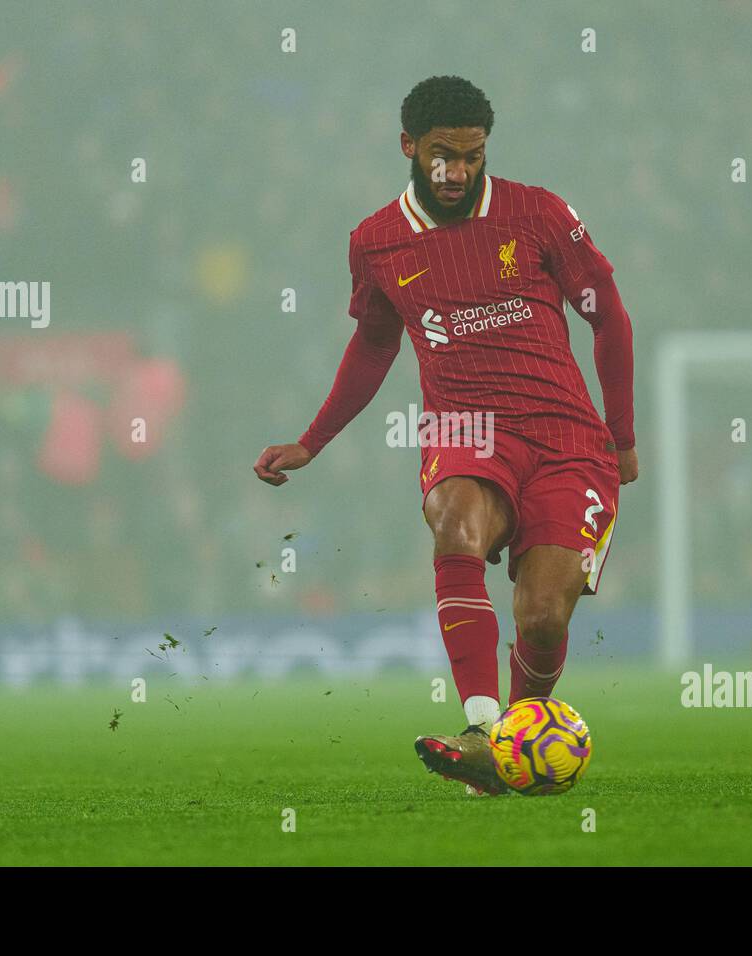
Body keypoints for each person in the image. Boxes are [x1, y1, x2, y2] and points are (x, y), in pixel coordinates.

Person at [253, 75, 637, 794]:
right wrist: (315, 439)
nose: (457, 172)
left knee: (544, 614)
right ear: (408, 147)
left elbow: (607, 314)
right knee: (455, 522)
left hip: (567, 437)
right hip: (466, 426)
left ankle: (512, 747)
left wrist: (622, 436)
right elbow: (373, 346)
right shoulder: (376, 243)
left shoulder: (539, 213)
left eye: (471, 156)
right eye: (441, 156)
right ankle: (482, 723)